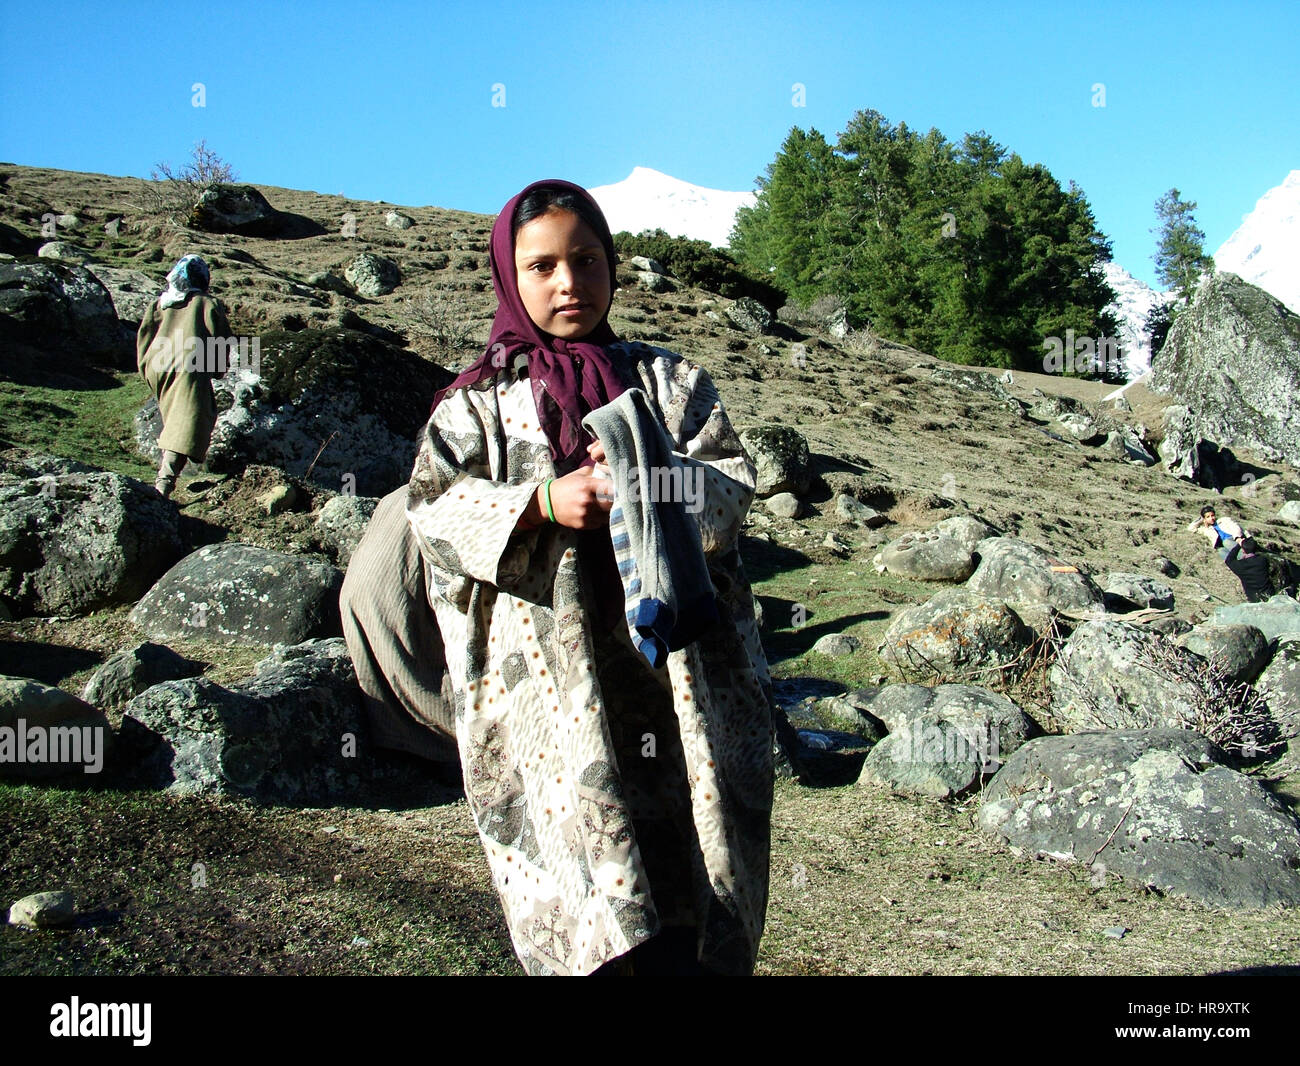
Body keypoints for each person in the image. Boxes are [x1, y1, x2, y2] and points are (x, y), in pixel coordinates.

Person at [405, 179, 773, 976]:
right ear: (510, 275)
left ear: (612, 265)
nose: (568, 282)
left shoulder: (671, 384)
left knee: (694, 890)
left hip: (679, 680)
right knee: (590, 901)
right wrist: (540, 500)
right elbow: (432, 514)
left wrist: (653, 477)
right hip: (555, 694)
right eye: (540, 266)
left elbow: (730, 491)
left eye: (587, 259)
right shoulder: (474, 407)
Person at [136, 254, 230, 497]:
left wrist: (148, 369)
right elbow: (219, 341)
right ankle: (163, 485)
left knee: (177, 419)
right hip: (187, 368)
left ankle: (164, 481)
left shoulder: (161, 303)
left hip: (157, 366)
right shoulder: (207, 304)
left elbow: (144, 339)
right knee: (187, 423)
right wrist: (218, 368)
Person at [1224, 537, 1276, 603]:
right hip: (1269, 594)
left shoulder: (1240, 565)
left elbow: (1229, 560)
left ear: (1243, 550)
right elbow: (1265, 553)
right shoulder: (1263, 560)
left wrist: (1239, 545)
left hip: (1253, 597)